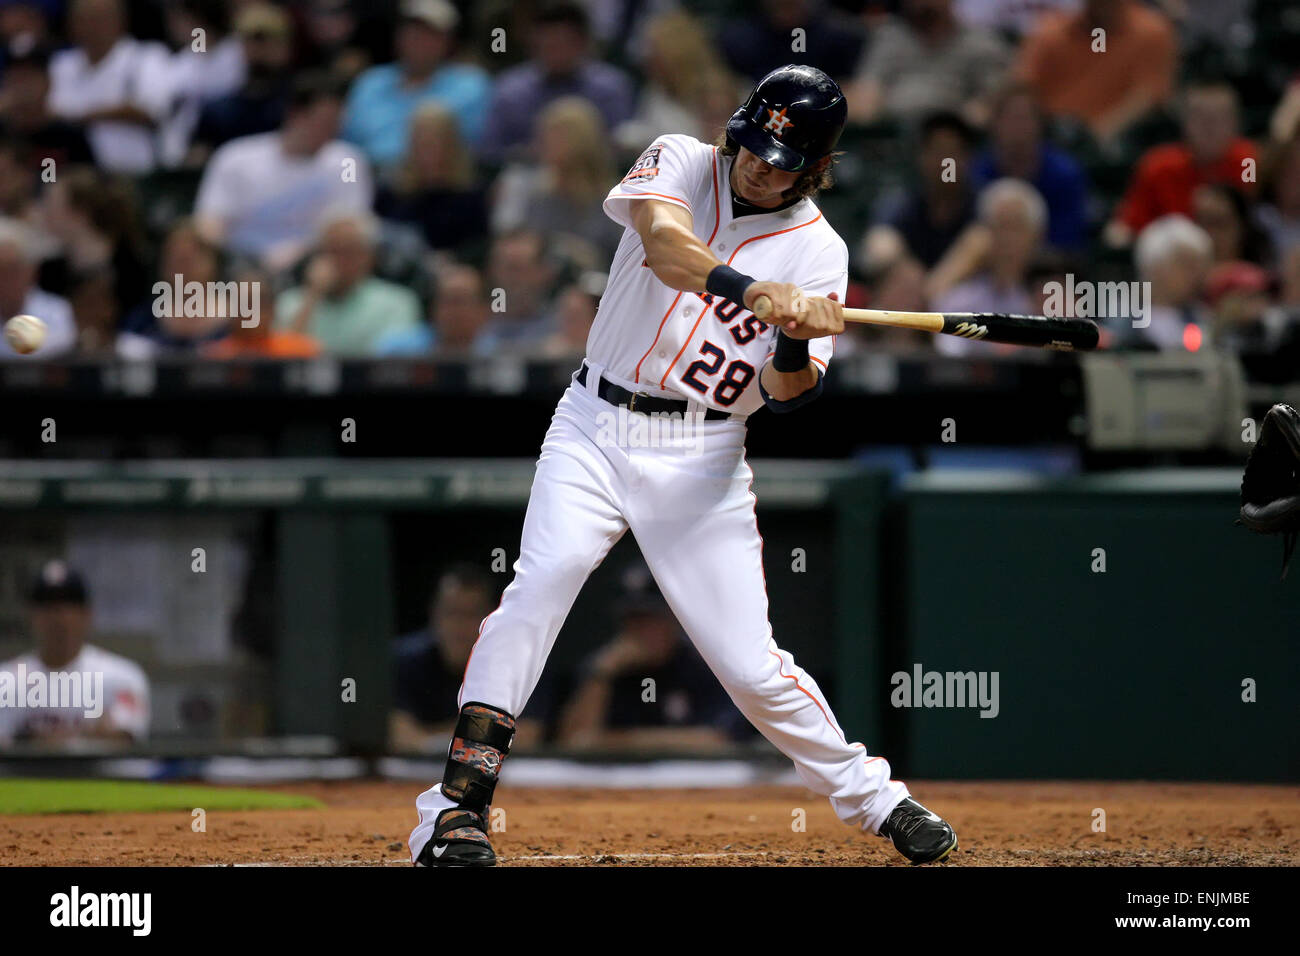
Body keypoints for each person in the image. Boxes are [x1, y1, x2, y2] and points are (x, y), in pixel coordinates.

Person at [407, 64, 957, 868]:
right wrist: (749, 289)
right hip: (595, 422)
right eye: (757, 146)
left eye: (785, 159)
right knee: (538, 588)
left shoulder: (821, 253)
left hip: (703, 453)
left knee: (749, 665)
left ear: (818, 167)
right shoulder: (679, 158)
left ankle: (877, 799)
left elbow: (787, 396)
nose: (761, 165)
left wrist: (798, 332)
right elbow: (665, 248)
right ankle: (452, 814)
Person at [556, 561, 751, 751]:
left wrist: (623, 742)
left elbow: (719, 740)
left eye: (651, 619)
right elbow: (575, 742)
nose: (640, 630)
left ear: (676, 619)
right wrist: (601, 674)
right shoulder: (605, 670)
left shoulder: (707, 666)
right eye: (633, 619)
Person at [194, 71, 373, 271]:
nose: (332, 129)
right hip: (239, 263)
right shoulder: (236, 157)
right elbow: (208, 222)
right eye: (325, 120)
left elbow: (352, 224)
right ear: (295, 114)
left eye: (337, 122)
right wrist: (231, 259)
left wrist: (300, 253)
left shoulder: (347, 161)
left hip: (311, 262)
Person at [391, 564, 549, 753]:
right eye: (451, 613)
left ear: (491, 618)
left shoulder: (516, 662)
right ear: (434, 615)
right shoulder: (405, 661)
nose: (459, 627)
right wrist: (485, 732)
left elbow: (526, 735)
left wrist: (433, 738)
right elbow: (399, 734)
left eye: (470, 615)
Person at [0, 560, 150, 748]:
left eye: (68, 605)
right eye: (48, 606)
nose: (58, 616)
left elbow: (123, 737)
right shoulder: (6, 679)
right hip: (30, 777)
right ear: (32, 615)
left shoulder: (121, 675)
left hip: (101, 777)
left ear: (87, 614)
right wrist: (89, 733)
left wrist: (37, 739)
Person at [476, 1, 635, 165]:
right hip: (527, 174)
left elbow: (622, 147)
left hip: (594, 178)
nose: (556, 54)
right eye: (548, 46)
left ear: (583, 43)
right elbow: (490, 152)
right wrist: (528, 153)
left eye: (562, 45)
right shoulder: (510, 89)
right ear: (534, 44)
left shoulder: (611, 86)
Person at [341, 0, 491, 170]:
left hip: (442, 183)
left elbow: (475, 150)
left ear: (447, 41)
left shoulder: (471, 86)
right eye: (411, 32)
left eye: (428, 34)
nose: (418, 41)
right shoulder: (369, 83)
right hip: (374, 181)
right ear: (398, 36)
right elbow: (347, 149)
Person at [1107, 81, 1256, 246]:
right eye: (1201, 118)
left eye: (1219, 119)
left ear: (1236, 123)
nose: (1210, 128)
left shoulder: (1248, 162)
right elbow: (1127, 226)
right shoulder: (1159, 167)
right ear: (1185, 123)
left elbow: (1260, 216)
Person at [491, 96, 625, 271]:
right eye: (544, 136)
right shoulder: (535, 192)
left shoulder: (614, 199)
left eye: (557, 136)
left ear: (583, 142)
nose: (544, 144)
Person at [1015, 0, 1176, 144]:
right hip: (1052, 139)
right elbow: (1022, 89)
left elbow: (1149, 96)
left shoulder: (1150, 33)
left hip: (1121, 144)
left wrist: (1098, 134)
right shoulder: (1050, 33)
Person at [46, 0, 174, 174]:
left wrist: (77, 116)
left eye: (99, 19)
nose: (91, 27)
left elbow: (152, 109)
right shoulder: (61, 63)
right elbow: (43, 112)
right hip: (74, 176)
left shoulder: (146, 57)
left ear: (120, 20)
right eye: (83, 19)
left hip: (134, 173)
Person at [274, 210, 421, 356]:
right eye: (333, 250)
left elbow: (391, 363)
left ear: (369, 256)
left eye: (349, 250)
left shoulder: (398, 302)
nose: (340, 260)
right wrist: (312, 296)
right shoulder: (289, 302)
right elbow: (283, 362)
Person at [932, 178, 1048, 357]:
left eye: (1017, 227)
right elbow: (950, 355)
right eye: (1000, 226)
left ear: (1037, 235)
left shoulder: (1052, 297)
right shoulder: (962, 300)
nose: (1007, 239)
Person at [846, 0, 1009, 127]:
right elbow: (868, 91)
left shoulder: (979, 43)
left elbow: (993, 100)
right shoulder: (889, 37)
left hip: (953, 138)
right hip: (893, 138)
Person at [971, 82, 1088, 251]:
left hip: (1047, 265)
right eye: (1011, 118)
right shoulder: (978, 172)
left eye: (1025, 118)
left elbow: (1068, 243)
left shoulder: (1064, 175)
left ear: (1040, 124)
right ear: (995, 124)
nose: (1019, 128)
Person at [861, 111, 978, 270]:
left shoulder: (981, 205)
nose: (944, 163)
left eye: (951, 152)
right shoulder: (902, 204)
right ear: (922, 157)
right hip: (910, 289)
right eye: (938, 152)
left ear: (967, 158)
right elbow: (879, 244)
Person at [373, 101, 490, 254]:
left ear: (452, 145)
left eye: (436, 141)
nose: (427, 150)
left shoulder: (471, 196)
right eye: (421, 142)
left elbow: (479, 248)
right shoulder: (391, 193)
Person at [190, 3, 295, 159]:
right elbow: (196, 162)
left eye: (266, 40)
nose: (259, 50)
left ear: (285, 46)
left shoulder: (299, 108)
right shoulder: (218, 111)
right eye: (251, 41)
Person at [1127, 213, 1213, 350]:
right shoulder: (1119, 320)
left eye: (1199, 267)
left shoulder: (1203, 319)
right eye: (1186, 265)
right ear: (1155, 266)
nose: (1196, 275)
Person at [0, 217, 75, 359]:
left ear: (30, 272)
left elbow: (58, 348)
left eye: (12, 270)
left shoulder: (57, 311)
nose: (5, 280)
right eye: (0, 272)